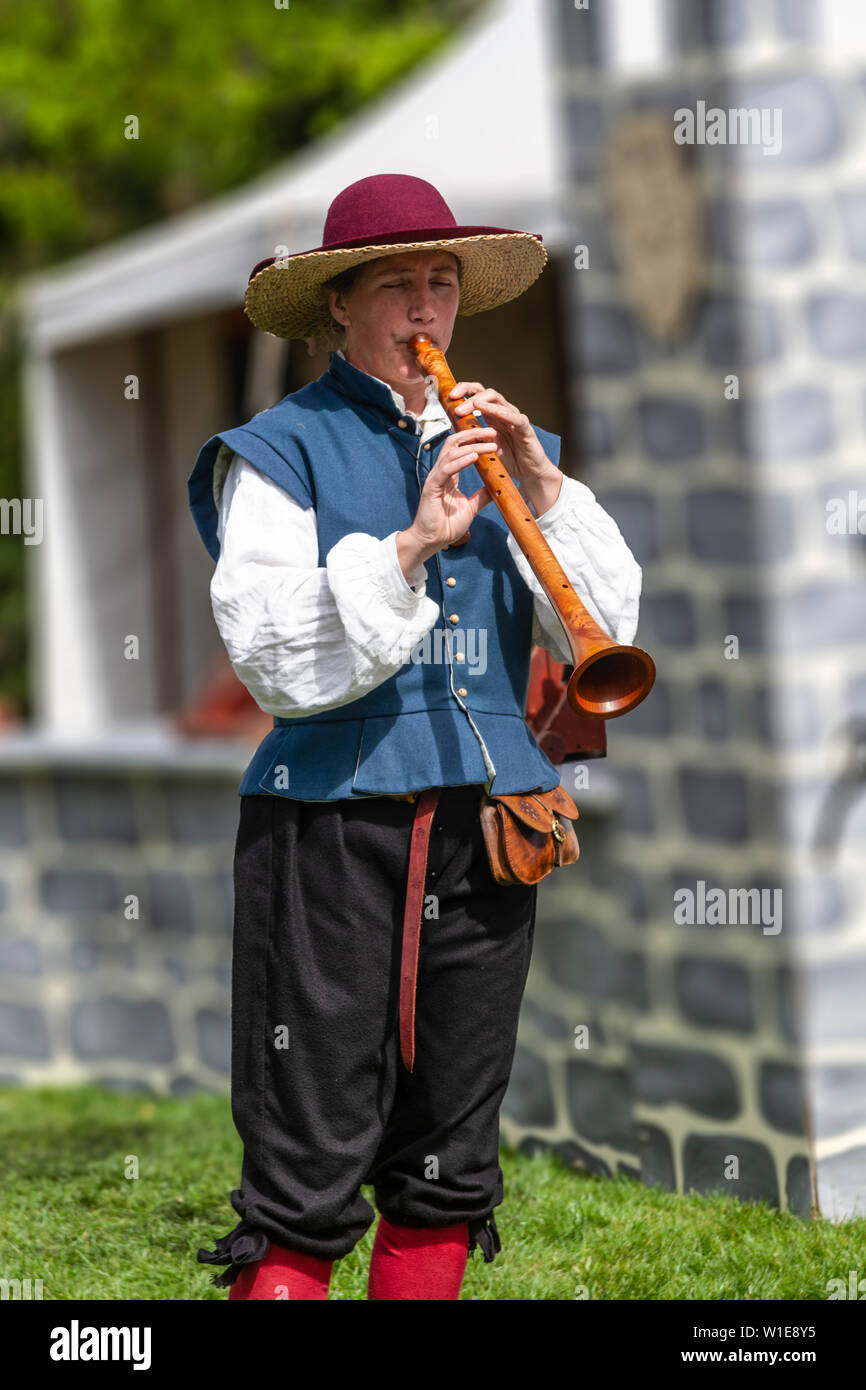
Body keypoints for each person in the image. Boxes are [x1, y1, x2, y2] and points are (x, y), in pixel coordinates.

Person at [187, 173, 641, 1300]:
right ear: (339, 305)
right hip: (331, 823)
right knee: (308, 1149)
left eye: (440, 285)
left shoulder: (491, 445)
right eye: (396, 287)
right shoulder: (276, 448)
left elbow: (604, 627)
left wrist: (535, 479)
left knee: (448, 1147)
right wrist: (405, 548)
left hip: (489, 824)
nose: (425, 311)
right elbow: (269, 657)